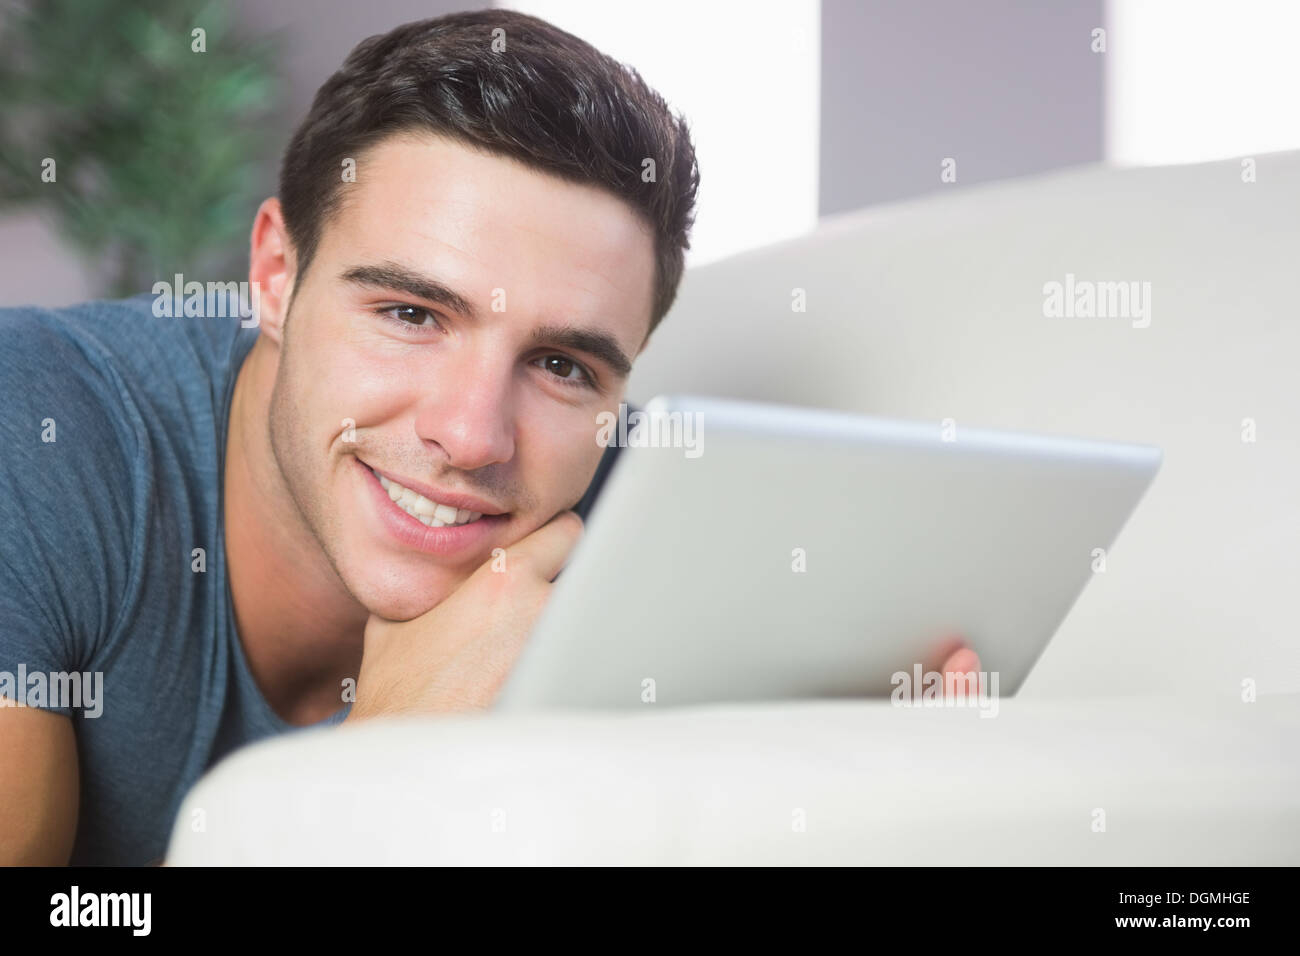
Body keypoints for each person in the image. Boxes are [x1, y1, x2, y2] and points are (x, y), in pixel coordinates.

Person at [0, 9, 978, 866]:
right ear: (273, 276)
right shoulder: (40, 431)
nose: (471, 436)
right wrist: (364, 772)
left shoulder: (649, 529)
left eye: (561, 365)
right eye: (412, 314)